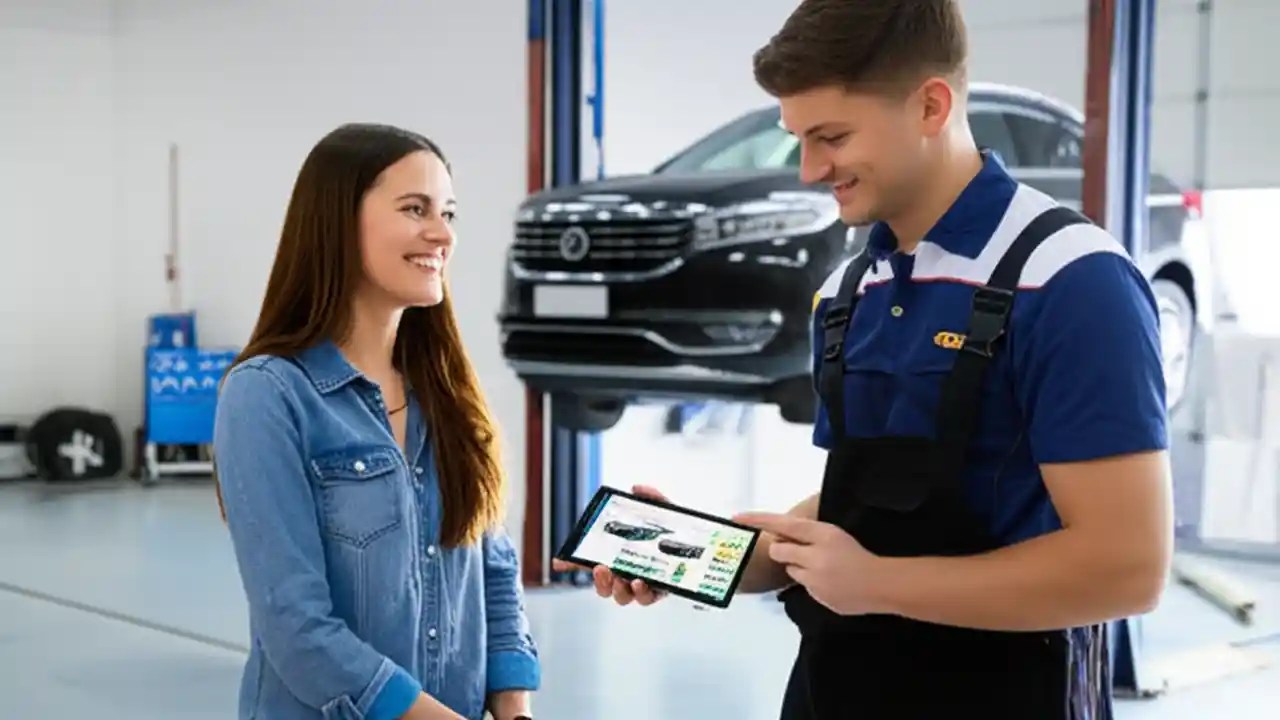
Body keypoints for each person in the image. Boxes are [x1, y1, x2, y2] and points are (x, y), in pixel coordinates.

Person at [557, 1, 1173, 718]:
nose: (811, 170)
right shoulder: (852, 290)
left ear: (931, 106)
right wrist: (699, 555)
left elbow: (1124, 570)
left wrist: (875, 583)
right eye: (798, 140)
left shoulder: (1071, 281)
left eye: (832, 137)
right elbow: (859, 508)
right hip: (836, 689)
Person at [213, 123, 539, 720]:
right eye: (415, 209)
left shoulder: (449, 394)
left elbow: (494, 569)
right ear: (338, 222)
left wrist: (515, 709)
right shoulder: (267, 395)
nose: (442, 234)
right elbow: (297, 627)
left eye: (448, 213)